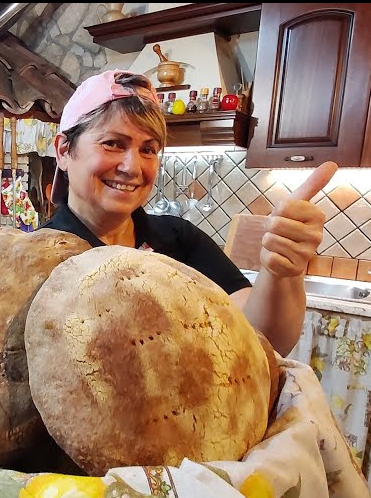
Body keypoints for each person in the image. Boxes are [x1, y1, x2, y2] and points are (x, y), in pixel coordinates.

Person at [41, 69, 336, 355]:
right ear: (64, 151)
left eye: (148, 149)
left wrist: (281, 273)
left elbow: (263, 341)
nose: (132, 168)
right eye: (112, 143)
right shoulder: (40, 259)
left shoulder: (178, 240)